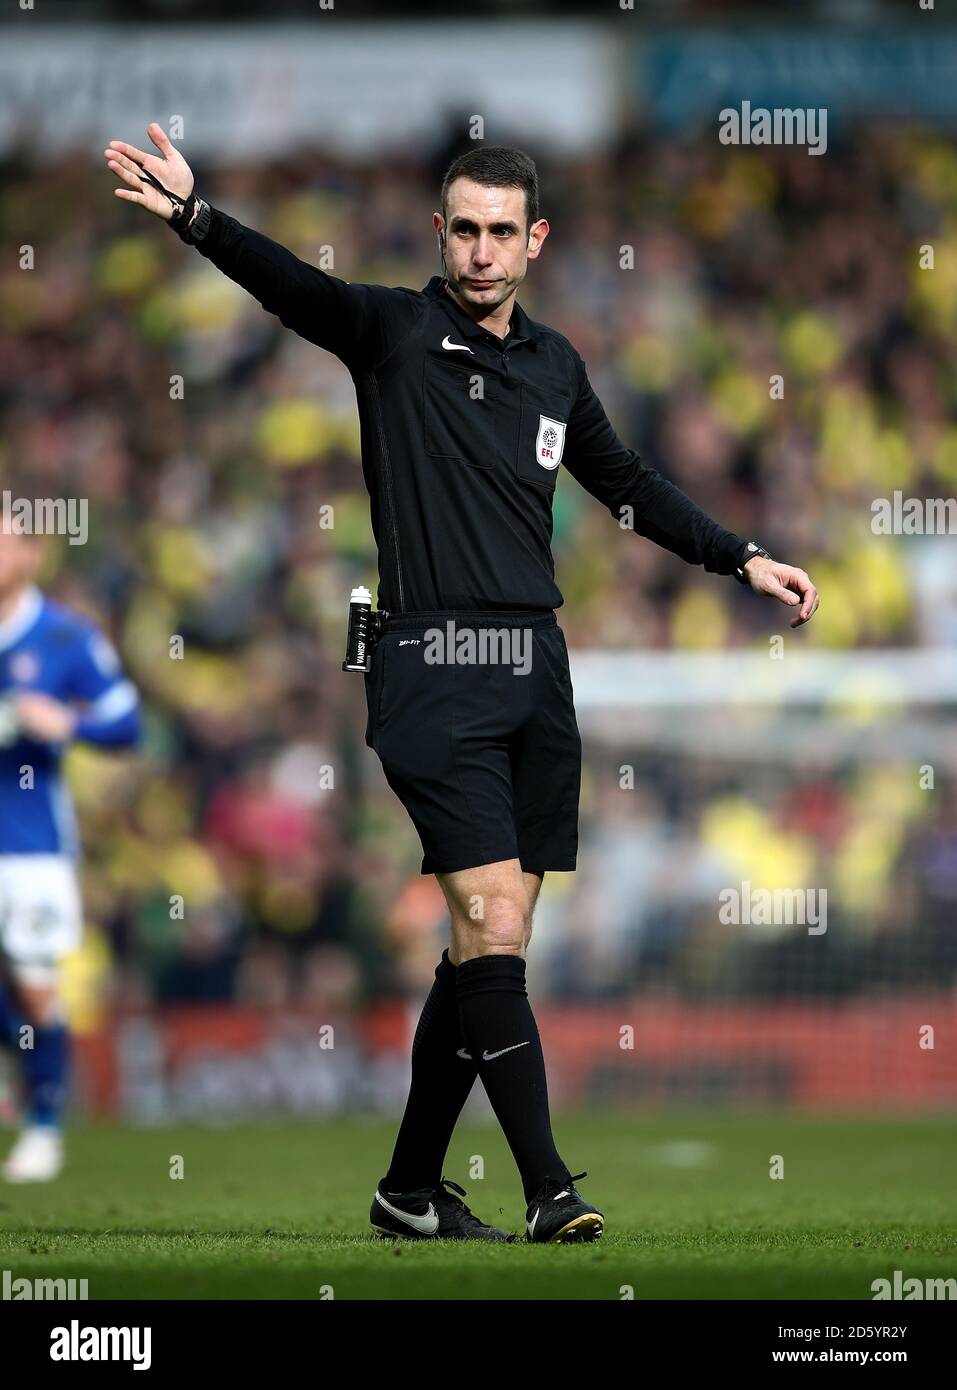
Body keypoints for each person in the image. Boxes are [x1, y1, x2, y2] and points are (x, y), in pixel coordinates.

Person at [104, 126, 819, 1242]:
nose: (481, 251)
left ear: (534, 241)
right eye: (465, 231)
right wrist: (200, 216)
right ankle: (551, 1189)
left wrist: (740, 557)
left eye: (502, 232)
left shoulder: (556, 367)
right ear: (441, 233)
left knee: (489, 943)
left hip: (536, 671)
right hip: (432, 669)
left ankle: (408, 1188)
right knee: (488, 916)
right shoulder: (391, 330)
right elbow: (295, 287)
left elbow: (624, 479)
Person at [0, 531, 141, 1181]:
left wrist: (67, 725)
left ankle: (45, 1126)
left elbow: (126, 720)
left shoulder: (64, 635)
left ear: (29, 553)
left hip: (30, 847)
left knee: (35, 990)